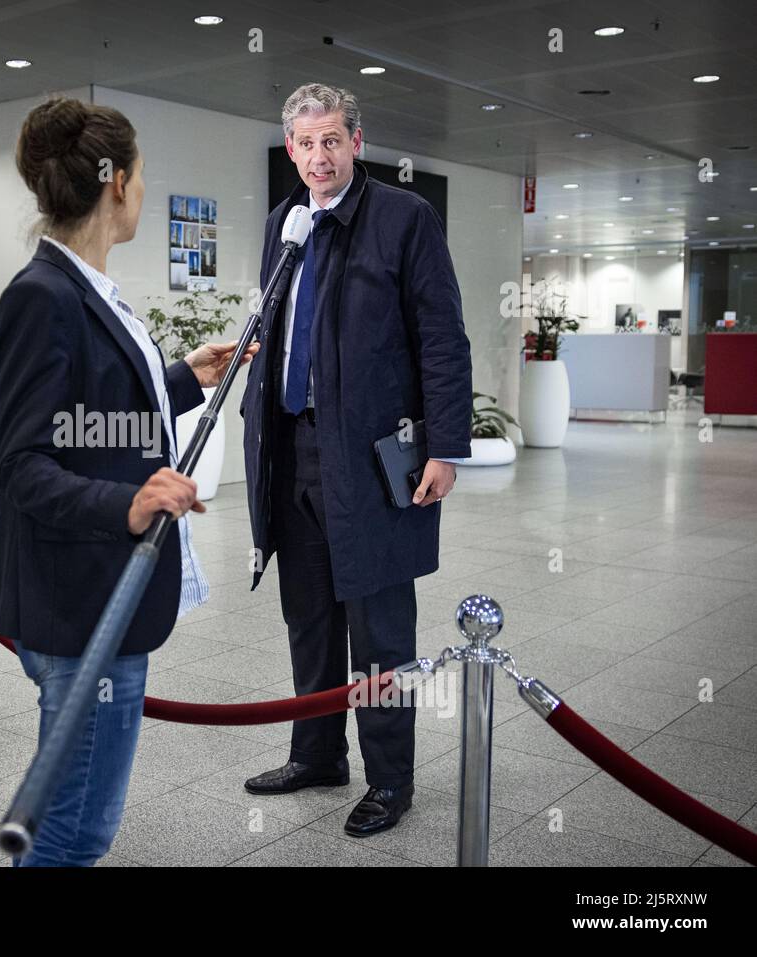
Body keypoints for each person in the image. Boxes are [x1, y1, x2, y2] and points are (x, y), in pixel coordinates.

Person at [0, 96, 256, 866]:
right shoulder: (41, 297)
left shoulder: (85, 287)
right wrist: (128, 504)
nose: (141, 188)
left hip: (102, 593)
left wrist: (178, 378)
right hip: (83, 607)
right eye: (139, 175)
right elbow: (27, 466)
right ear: (117, 183)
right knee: (72, 833)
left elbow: (88, 415)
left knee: (75, 826)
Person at [239, 84, 472, 836]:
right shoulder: (286, 222)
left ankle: (390, 780)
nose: (317, 156)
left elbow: (442, 338)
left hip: (372, 459)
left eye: (331, 140)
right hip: (293, 448)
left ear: (357, 142)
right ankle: (316, 752)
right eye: (304, 144)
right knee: (308, 616)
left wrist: (444, 445)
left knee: (378, 626)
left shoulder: (404, 219)